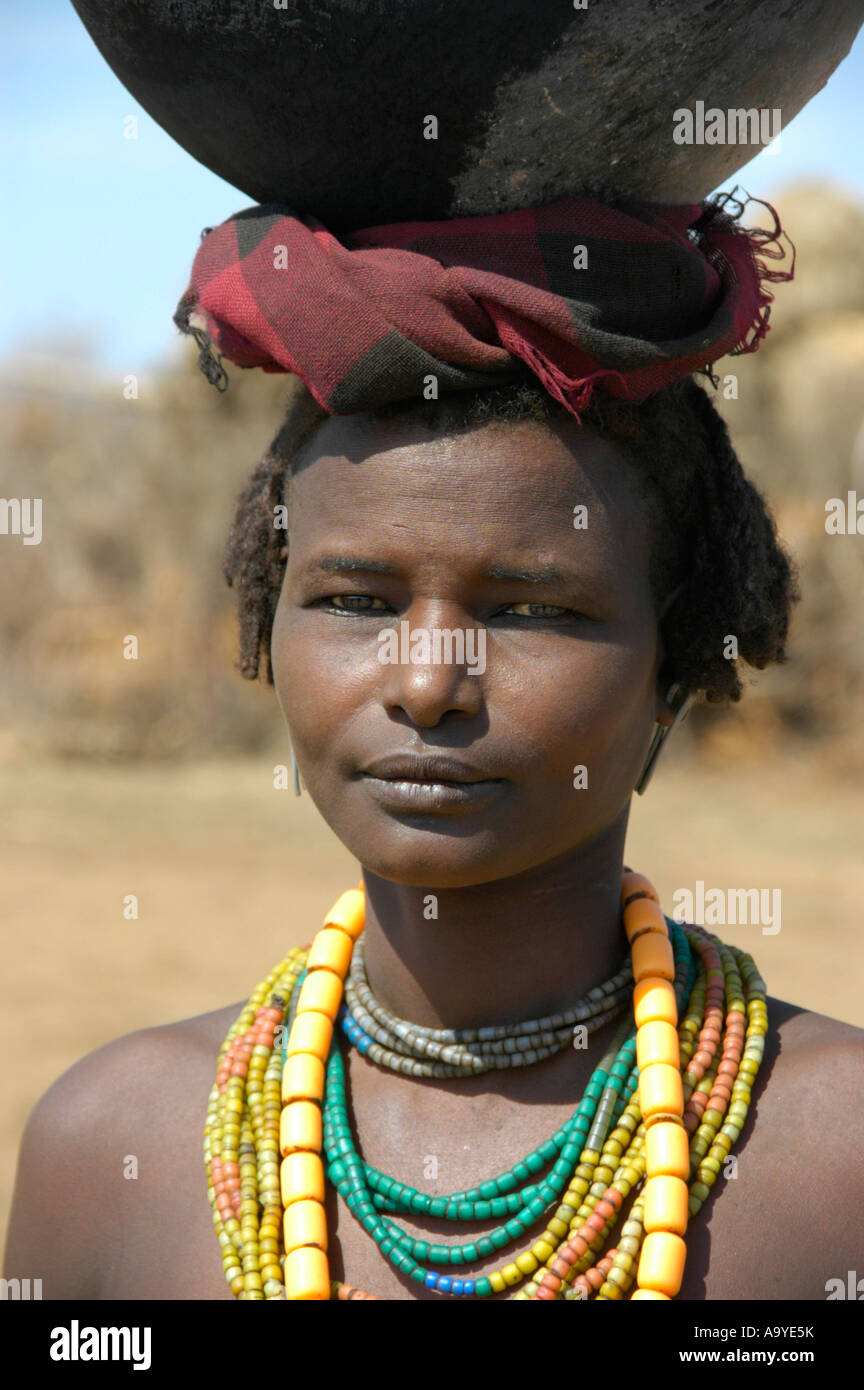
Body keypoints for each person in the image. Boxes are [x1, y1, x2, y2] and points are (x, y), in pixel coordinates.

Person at [4, 193, 863, 1301]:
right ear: (270, 623)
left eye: (530, 611)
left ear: (677, 664)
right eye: (355, 600)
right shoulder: (111, 1150)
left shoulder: (831, 1159)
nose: (425, 683)